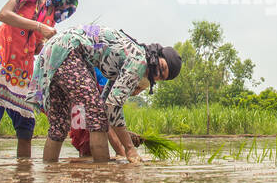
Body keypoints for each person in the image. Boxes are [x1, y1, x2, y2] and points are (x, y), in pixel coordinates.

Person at [0, 0, 83, 158]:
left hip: (24, 68)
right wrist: (39, 27)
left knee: (26, 129)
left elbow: (36, 47)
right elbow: (4, 14)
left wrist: (47, 42)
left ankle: (24, 174)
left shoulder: (53, 13)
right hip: (2, 55)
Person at [33, 25, 182, 163]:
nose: (158, 73)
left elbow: (107, 103)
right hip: (69, 51)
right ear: (156, 55)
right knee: (96, 116)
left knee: (59, 126)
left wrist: (124, 135)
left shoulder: (132, 59)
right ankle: (102, 177)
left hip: (56, 50)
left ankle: (49, 175)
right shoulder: (139, 61)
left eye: (161, 76)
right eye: (161, 67)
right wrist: (129, 149)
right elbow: (112, 106)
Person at [68, 66, 144, 159]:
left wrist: (125, 135)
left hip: (80, 102)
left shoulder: (113, 83)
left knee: (88, 146)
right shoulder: (107, 82)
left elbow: (109, 119)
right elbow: (104, 118)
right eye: (139, 89)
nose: (137, 93)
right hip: (78, 105)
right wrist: (124, 154)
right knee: (85, 144)